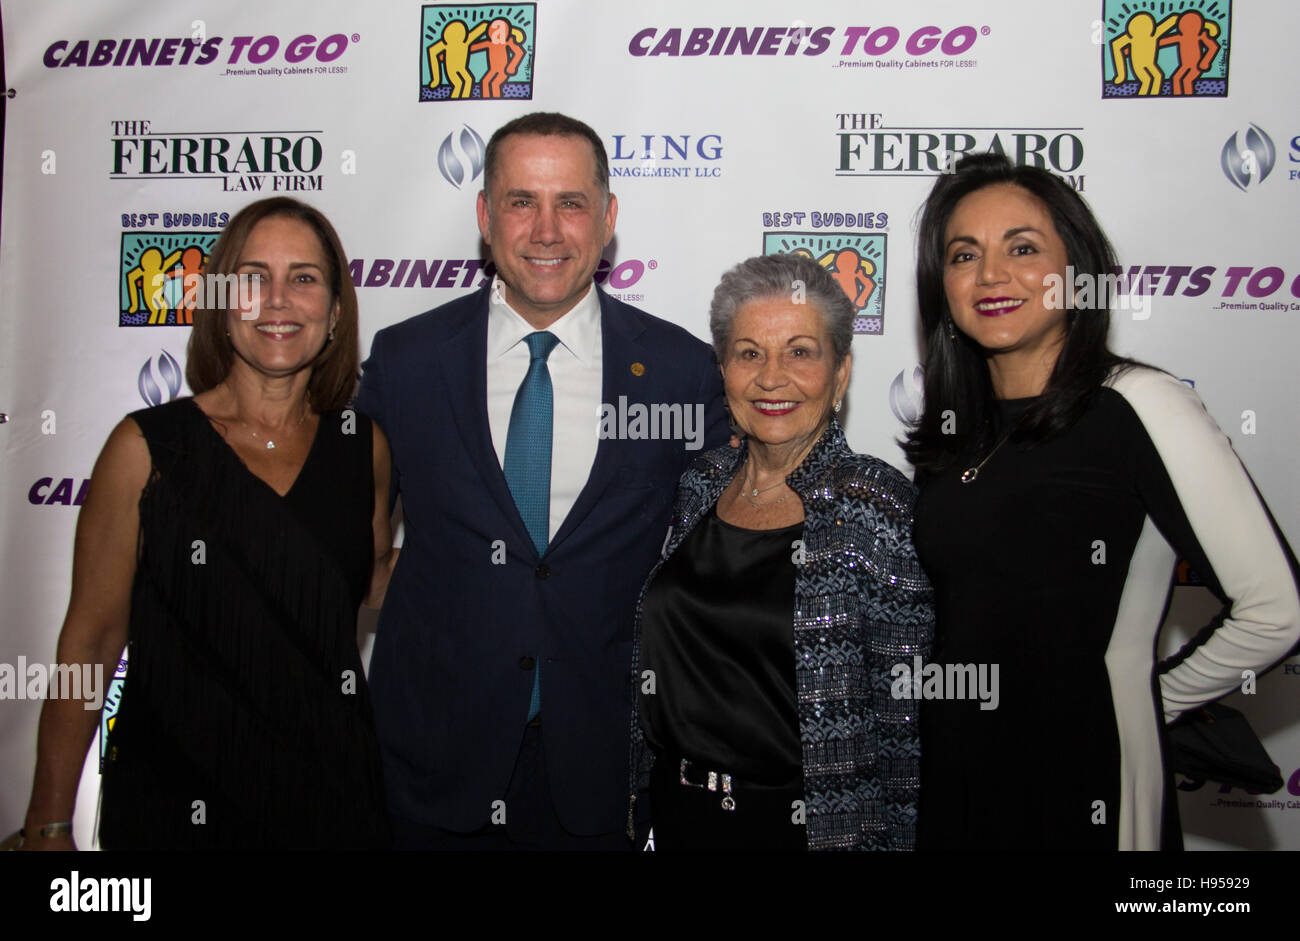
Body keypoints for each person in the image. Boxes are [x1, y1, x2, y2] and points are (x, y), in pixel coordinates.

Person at [906, 153, 1300, 850]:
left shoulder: (1140, 405)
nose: (992, 274)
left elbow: (1277, 608)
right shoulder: (955, 428)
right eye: (964, 254)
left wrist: (1148, 700)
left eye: (1022, 248)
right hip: (956, 773)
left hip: (1084, 776)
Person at [356, 112, 727, 850]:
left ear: (609, 217)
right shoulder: (406, 362)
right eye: (522, 201)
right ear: (485, 216)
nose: (547, 229)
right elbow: (345, 550)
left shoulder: (682, 371)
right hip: (433, 764)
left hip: (603, 773)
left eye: (572, 202)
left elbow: (722, 561)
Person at [22, 197, 392, 850]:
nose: (278, 300)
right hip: (172, 810)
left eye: (304, 278)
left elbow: (367, 582)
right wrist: (49, 822)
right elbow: (90, 642)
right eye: (254, 277)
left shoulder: (364, 446)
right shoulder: (145, 449)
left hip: (333, 806)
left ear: (335, 313)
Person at [627, 253, 935, 850]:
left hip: (806, 830)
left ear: (840, 372)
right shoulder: (702, 482)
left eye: (800, 351)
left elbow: (906, 730)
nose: (772, 378)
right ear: (723, 370)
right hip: (675, 813)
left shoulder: (878, 509)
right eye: (749, 353)